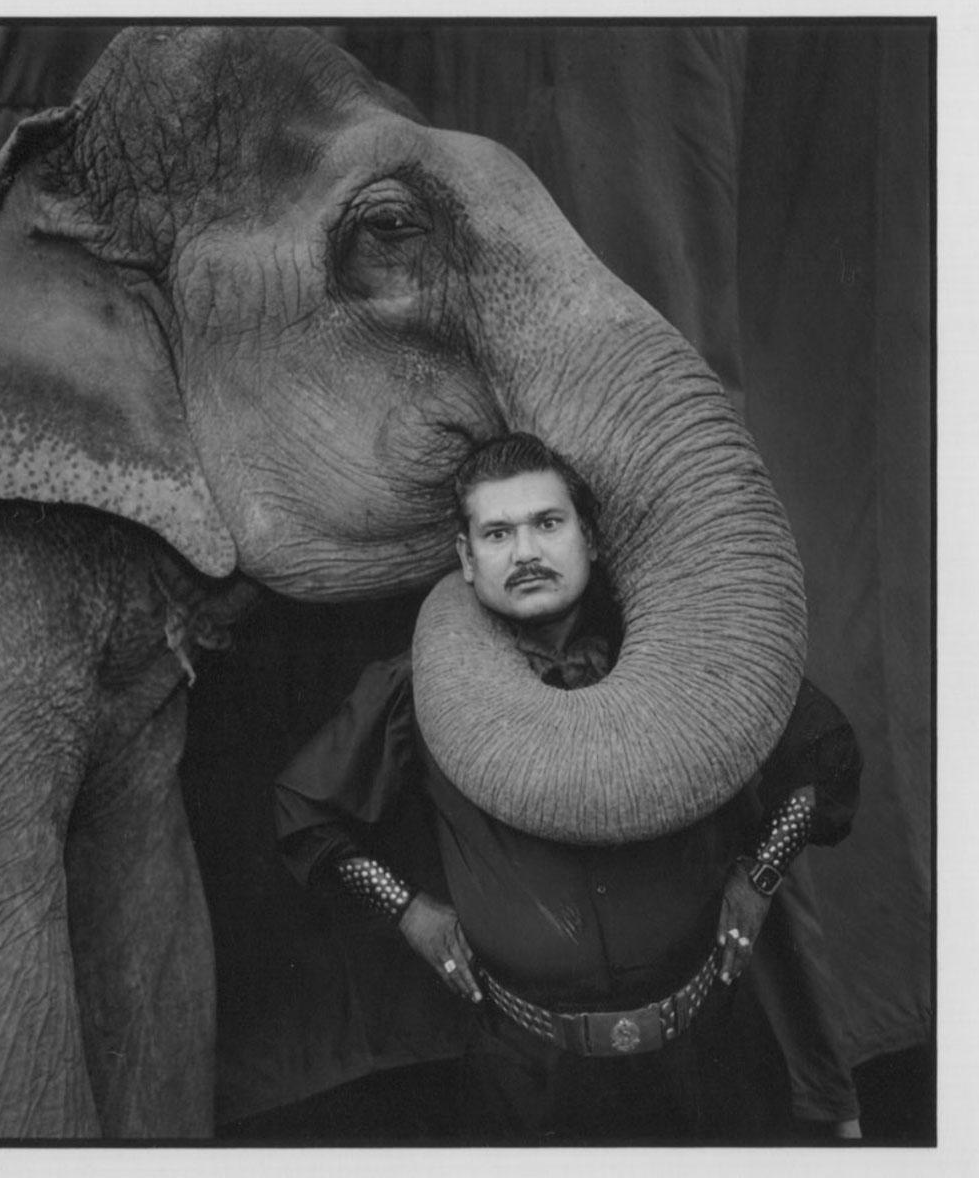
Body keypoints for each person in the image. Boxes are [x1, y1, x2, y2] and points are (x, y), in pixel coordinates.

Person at [275, 432, 861, 1142]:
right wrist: (408, 911)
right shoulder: (423, 686)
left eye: (547, 524)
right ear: (466, 559)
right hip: (530, 1088)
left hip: (713, 1065)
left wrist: (761, 875)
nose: (525, 552)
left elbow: (824, 757)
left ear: (590, 538)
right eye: (497, 533)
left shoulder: (689, 651)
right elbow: (306, 813)